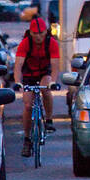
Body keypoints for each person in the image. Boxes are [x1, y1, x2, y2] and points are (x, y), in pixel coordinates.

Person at [15, 16, 59, 157]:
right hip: (29, 74)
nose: (38, 37)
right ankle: (27, 139)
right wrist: (17, 82)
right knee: (28, 105)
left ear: (46, 32)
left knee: (46, 90)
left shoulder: (51, 43)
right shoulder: (25, 43)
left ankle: (49, 119)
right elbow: (18, 65)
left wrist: (53, 81)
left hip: (44, 73)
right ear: (30, 33)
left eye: (41, 33)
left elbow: (55, 66)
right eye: (35, 34)